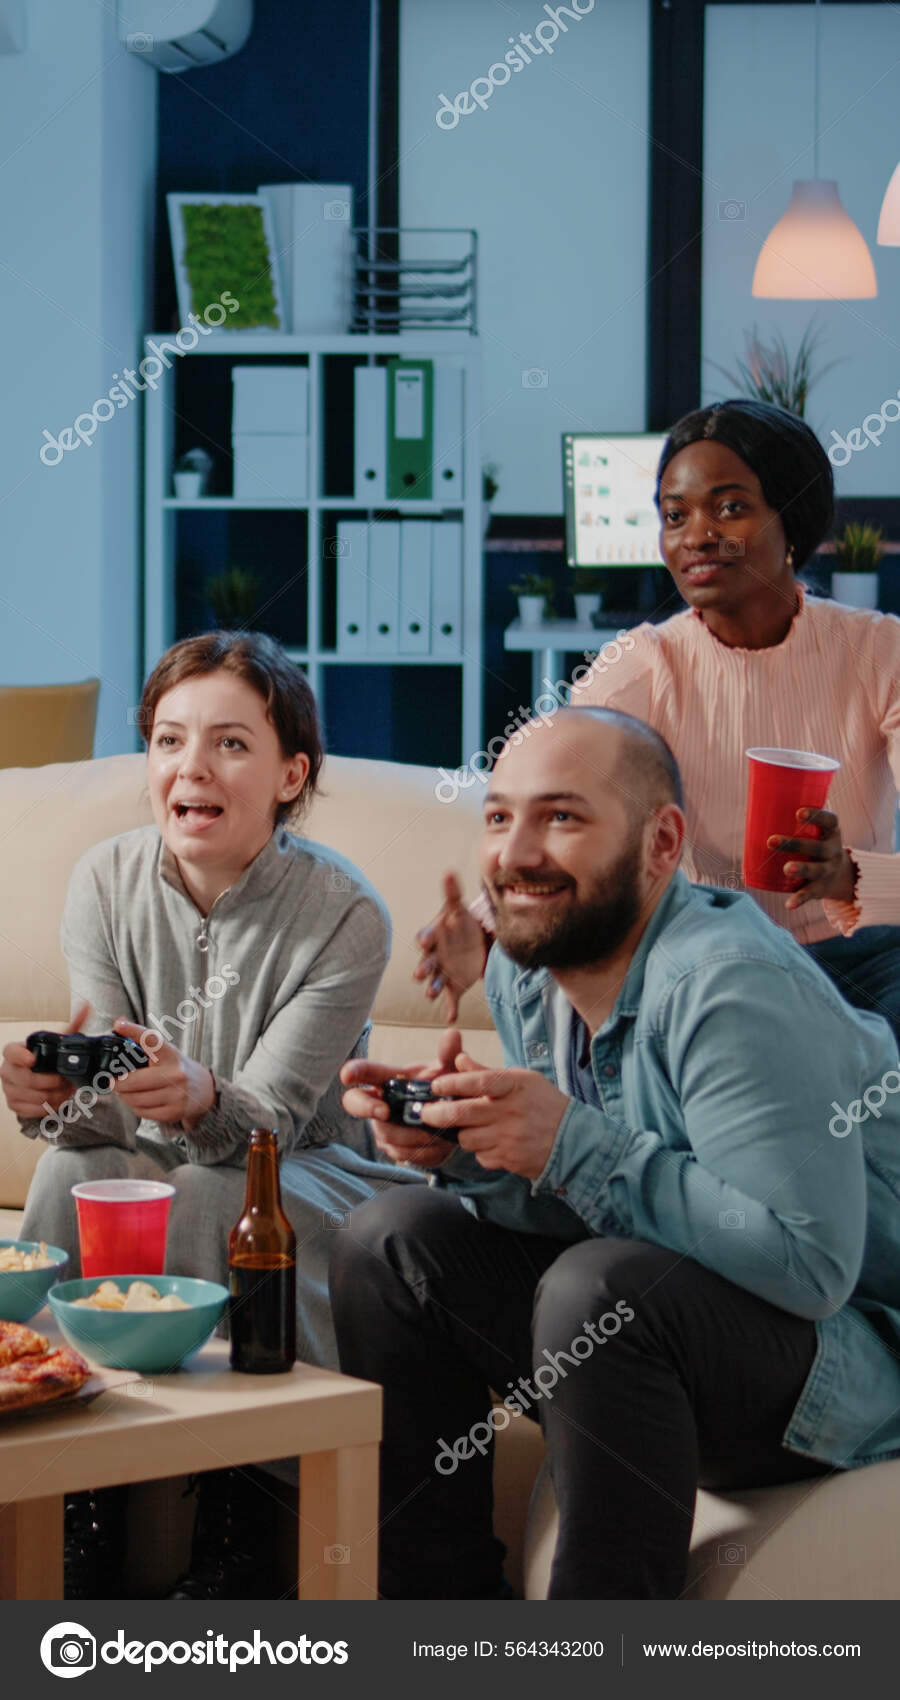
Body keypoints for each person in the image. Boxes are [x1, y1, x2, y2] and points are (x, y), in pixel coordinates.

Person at [331, 707, 900, 1600]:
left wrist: (570, 1144)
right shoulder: (530, 968)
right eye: (498, 816)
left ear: (661, 842)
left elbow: (812, 1263)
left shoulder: (728, 988)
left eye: (561, 817)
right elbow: (595, 1199)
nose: (516, 854)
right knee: (387, 1240)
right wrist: (470, 1150)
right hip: (665, 1335)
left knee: (599, 1289)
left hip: (851, 1354)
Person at [0, 629, 420, 1599]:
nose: (191, 766)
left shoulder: (346, 914)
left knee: (215, 1184)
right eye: (168, 740)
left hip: (306, 1172)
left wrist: (201, 1093)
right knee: (70, 1173)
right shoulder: (103, 881)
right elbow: (103, 1099)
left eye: (231, 743)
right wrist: (50, 1103)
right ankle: (76, 1505)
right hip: (158, 1152)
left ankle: (240, 1512)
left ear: (289, 774)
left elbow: (269, 1119)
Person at [415, 400, 900, 1045]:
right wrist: (484, 926)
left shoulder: (877, 652)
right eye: (675, 515)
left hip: (862, 960)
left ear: (793, 518)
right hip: (716, 964)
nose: (697, 535)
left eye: (730, 507)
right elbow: (547, 800)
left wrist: (853, 876)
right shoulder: (643, 665)